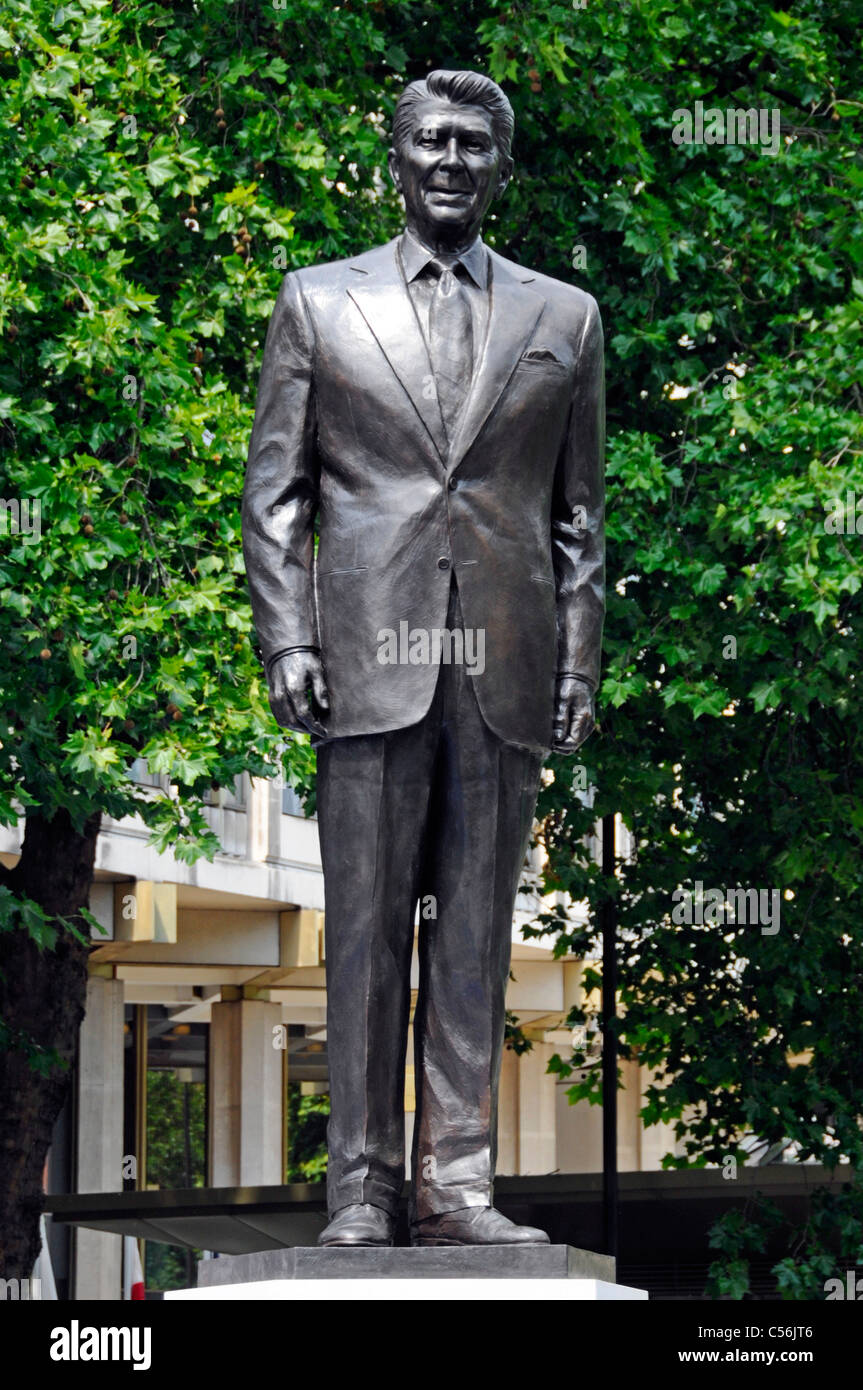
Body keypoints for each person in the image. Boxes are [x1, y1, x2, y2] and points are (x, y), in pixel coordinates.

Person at [242, 69, 605, 1247]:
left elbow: (577, 523)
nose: (450, 159)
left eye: (472, 144)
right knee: (361, 929)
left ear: (501, 168)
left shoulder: (565, 318)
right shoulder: (317, 303)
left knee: (470, 933)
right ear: (395, 160)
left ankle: (456, 1186)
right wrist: (287, 635)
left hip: (502, 661)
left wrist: (578, 666)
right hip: (363, 654)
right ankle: (358, 1187)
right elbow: (276, 497)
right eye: (430, 141)